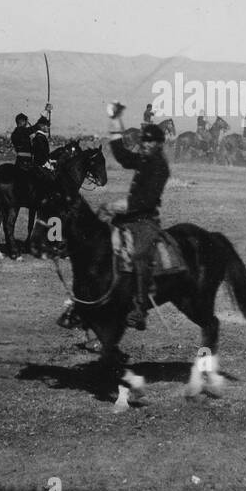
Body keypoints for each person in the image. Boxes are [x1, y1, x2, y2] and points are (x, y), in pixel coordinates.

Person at [107, 102, 171, 331]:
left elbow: (148, 199)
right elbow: (122, 155)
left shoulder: (160, 167)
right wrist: (116, 120)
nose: (144, 144)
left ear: (159, 144)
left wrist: (124, 204)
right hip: (129, 219)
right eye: (143, 141)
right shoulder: (144, 159)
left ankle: (140, 308)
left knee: (139, 256)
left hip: (145, 221)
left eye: (149, 141)